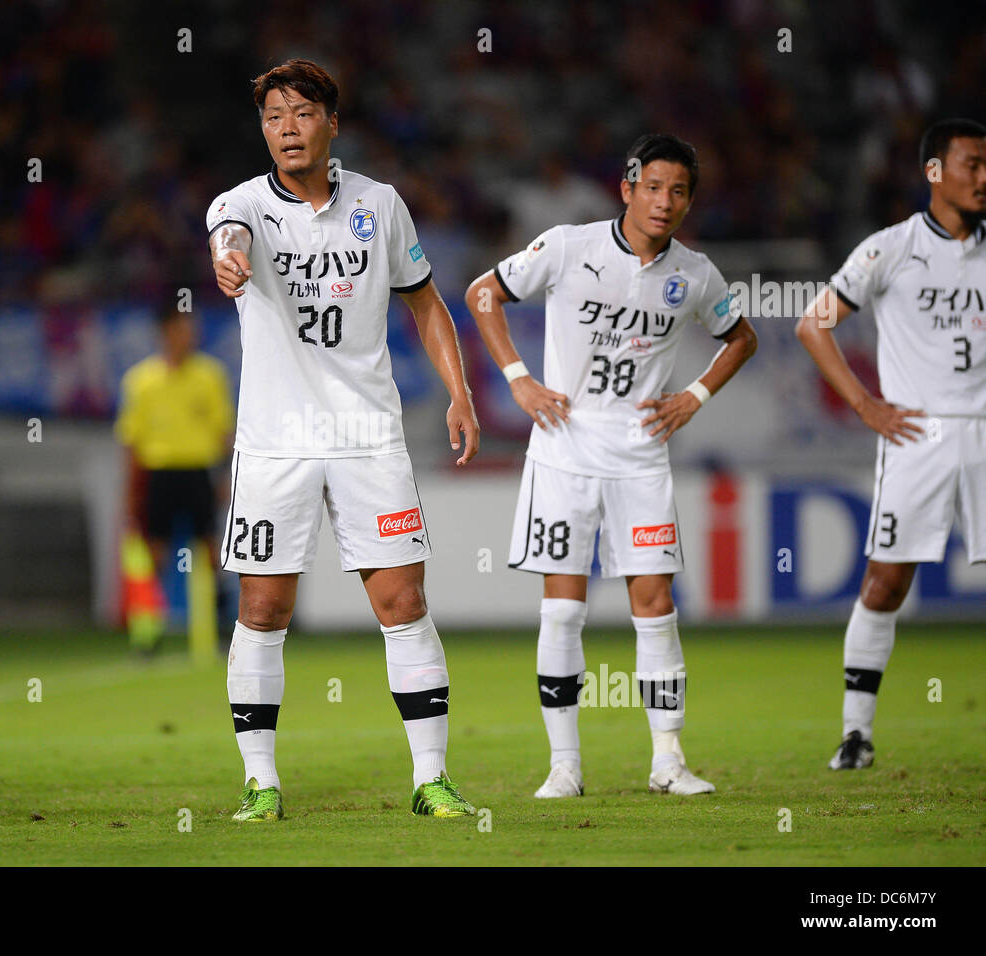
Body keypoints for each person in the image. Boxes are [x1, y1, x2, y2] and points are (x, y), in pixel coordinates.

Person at [207, 58, 481, 821]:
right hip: (275, 442)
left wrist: (460, 391)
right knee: (263, 608)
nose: (287, 129)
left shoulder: (380, 204)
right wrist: (228, 259)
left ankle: (432, 779)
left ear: (331, 122)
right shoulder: (240, 205)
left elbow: (426, 303)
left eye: (301, 114)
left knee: (404, 600)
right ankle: (261, 783)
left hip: (367, 437)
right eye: (273, 117)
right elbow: (227, 236)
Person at [465, 134, 758, 799]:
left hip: (640, 456)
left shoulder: (695, 274)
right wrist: (518, 379)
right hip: (564, 449)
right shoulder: (569, 246)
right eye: (653, 187)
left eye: (678, 191)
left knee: (656, 607)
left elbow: (742, 338)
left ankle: (668, 761)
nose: (664, 201)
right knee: (563, 610)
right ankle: (564, 766)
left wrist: (694, 395)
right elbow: (484, 294)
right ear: (627, 189)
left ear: (689, 201)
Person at [794, 118, 986, 770]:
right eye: (972, 164)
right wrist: (864, 404)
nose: (983, 177)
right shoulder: (891, 248)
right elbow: (813, 324)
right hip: (917, 435)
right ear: (935, 171)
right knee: (885, 583)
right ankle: (856, 733)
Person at [116, 307, 233, 648]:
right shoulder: (141, 380)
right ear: (165, 333)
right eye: (181, 330)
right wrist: (132, 489)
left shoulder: (210, 375)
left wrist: (224, 476)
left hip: (198, 472)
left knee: (210, 550)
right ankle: (149, 632)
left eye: (191, 330)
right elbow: (131, 440)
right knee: (156, 553)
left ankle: (221, 627)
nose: (189, 337)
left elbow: (223, 432)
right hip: (159, 474)